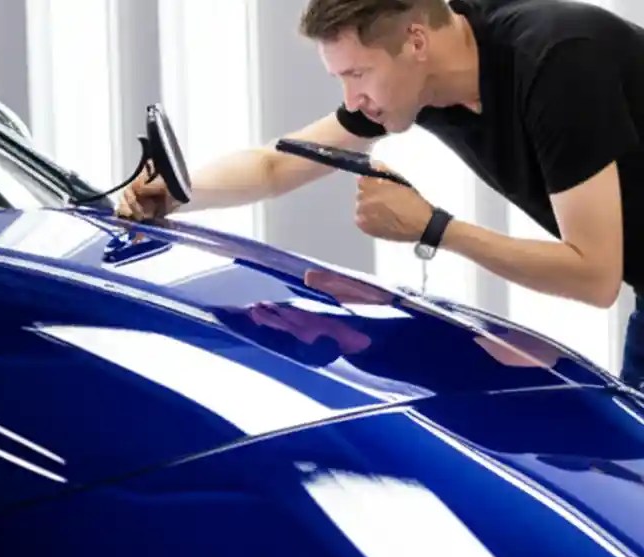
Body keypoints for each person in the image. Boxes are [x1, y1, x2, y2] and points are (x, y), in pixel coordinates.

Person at [117, 0, 644, 387]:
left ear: (416, 43)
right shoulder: (425, 73)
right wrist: (179, 192)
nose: (352, 98)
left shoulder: (556, 64)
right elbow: (278, 165)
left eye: (358, 73)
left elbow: (594, 275)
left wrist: (436, 228)